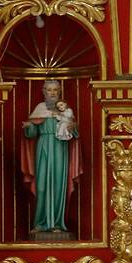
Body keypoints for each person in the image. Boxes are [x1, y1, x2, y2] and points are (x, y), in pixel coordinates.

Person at [20, 77, 81, 235]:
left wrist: (72, 127)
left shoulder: (65, 110)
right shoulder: (40, 108)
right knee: (42, 185)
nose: (52, 93)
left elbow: (74, 133)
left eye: (55, 90)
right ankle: (41, 223)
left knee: (59, 184)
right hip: (43, 148)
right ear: (44, 92)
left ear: (59, 92)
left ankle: (57, 223)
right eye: (49, 90)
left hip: (60, 148)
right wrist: (29, 127)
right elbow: (32, 133)